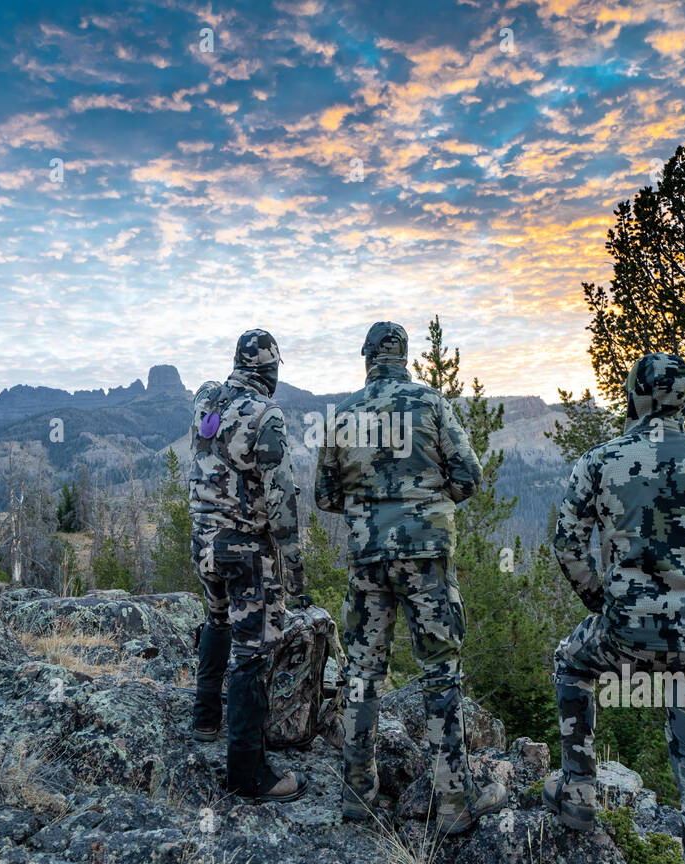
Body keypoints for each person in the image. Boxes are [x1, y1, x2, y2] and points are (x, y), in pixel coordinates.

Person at [546, 352, 685, 864]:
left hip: (629, 634)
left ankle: (578, 792)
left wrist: (604, 604)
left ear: (635, 397)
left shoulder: (599, 462)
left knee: (572, 663)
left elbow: (567, 546)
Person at [315, 320, 506, 834]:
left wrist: (371, 507)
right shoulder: (432, 404)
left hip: (369, 557)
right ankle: (453, 801)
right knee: (440, 671)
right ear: (405, 358)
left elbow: (325, 496)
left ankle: (357, 789)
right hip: (427, 557)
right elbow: (469, 477)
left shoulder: (345, 415)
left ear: (367, 358)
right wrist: (424, 502)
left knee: (363, 670)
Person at [188, 328, 306, 802]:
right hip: (246, 552)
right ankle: (248, 774)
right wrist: (294, 567)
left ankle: (204, 718)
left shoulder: (205, 401)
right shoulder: (267, 416)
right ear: (272, 371)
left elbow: (207, 408)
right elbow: (281, 500)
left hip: (204, 543)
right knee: (253, 653)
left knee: (216, 620)